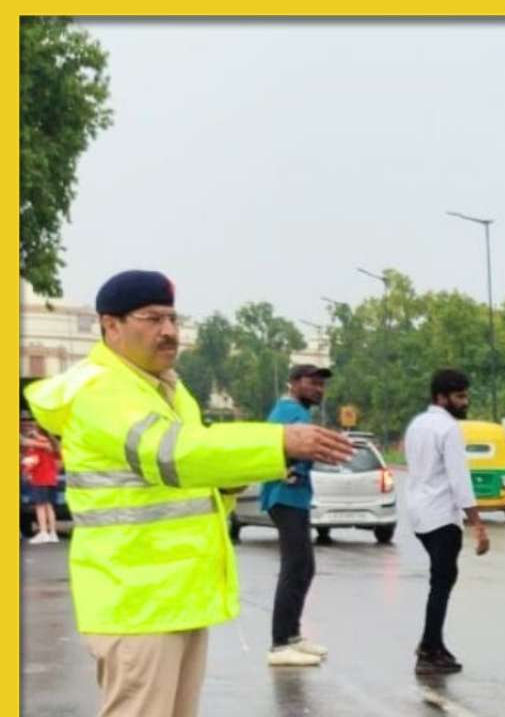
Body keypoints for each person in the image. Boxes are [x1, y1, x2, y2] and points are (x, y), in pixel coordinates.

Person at [23, 269, 354, 717]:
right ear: (111, 325)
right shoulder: (101, 390)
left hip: (175, 597)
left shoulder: (168, 390)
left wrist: (230, 481)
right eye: (152, 319)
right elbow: (174, 455)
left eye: (173, 320)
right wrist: (278, 442)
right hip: (136, 602)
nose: (169, 332)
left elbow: (196, 473)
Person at [402, 368, 491, 675]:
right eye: (459, 396)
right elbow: (459, 479)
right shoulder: (449, 428)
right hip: (441, 516)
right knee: (441, 583)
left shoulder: (417, 424)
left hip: (418, 513)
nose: (465, 402)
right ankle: (429, 650)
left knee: (441, 581)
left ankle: (433, 643)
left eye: (465, 395)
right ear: (441, 397)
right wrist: (478, 524)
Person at [260, 363, 334, 667]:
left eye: (321, 384)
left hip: (296, 498)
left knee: (305, 566)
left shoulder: (297, 412)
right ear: (293, 383)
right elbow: (269, 444)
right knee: (295, 567)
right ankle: (280, 644)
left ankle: (292, 635)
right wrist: (285, 467)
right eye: (311, 383)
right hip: (285, 496)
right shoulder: (290, 413)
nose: (318, 389)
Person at [21, 413, 61, 543]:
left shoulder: (39, 443)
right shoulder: (51, 442)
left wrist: (26, 466)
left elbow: (33, 460)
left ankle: (43, 532)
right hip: (51, 478)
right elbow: (56, 460)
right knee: (49, 506)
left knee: (40, 506)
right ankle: (53, 533)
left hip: (40, 477)